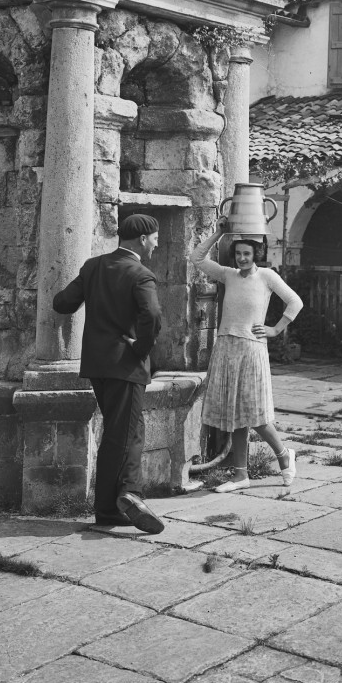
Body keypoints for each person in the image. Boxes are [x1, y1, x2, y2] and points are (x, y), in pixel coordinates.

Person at [53, 213, 167, 533]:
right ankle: (129, 494)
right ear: (142, 239)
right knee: (127, 433)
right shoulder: (140, 274)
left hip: (97, 366)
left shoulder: (93, 267)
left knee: (121, 433)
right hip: (125, 366)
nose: (157, 243)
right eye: (155, 237)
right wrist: (140, 349)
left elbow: (63, 302)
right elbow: (153, 317)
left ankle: (109, 508)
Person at [190, 225, 303, 492]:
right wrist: (219, 233)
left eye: (247, 254)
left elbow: (295, 302)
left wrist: (276, 328)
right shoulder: (228, 275)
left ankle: (284, 455)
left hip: (252, 349)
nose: (242, 258)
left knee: (256, 414)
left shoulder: (266, 276)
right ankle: (241, 475)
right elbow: (196, 258)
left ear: (256, 255)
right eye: (238, 253)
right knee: (235, 415)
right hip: (226, 348)